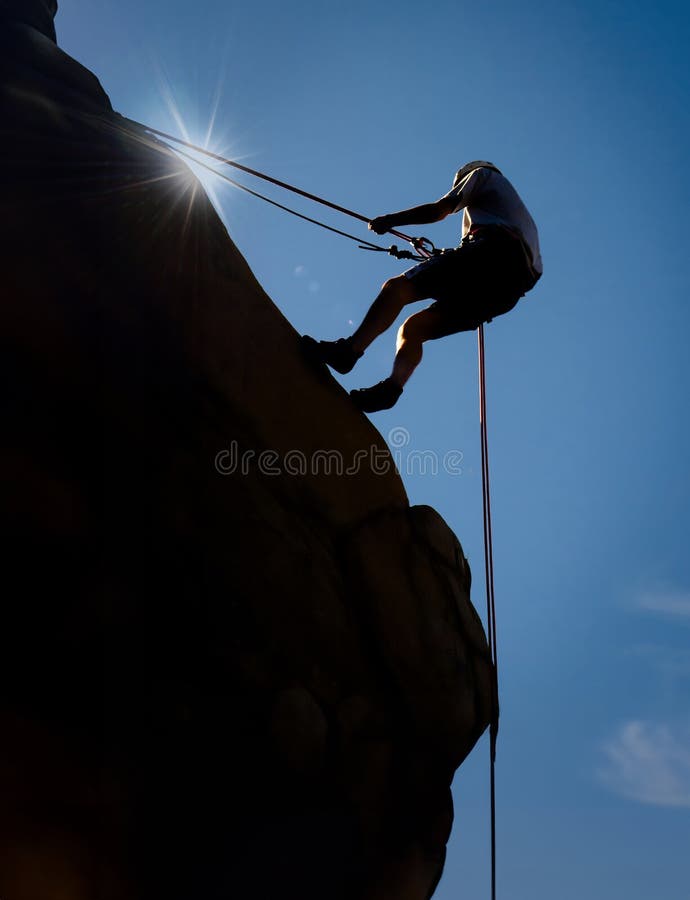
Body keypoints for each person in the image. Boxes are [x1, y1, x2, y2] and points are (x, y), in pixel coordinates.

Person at [303, 161, 542, 412]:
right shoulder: (520, 221)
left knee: (397, 289)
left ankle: (349, 352)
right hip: (506, 292)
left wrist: (391, 220)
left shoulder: (482, 176)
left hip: (489, 253)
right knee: (414, 328)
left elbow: (439, 210)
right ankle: (391, 389)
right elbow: (529, 275)